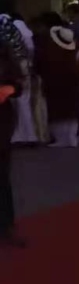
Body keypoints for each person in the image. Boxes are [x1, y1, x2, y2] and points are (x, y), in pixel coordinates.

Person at [33, 13, 79, 148]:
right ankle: (72, 137)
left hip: (54, 80)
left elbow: (41, 61)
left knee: (57, 109)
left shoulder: (48, 43)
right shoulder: (71, 43)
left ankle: (61, 138)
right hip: (72, 78)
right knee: (71, 108)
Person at [0, 0, 38, 145]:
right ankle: (26, 135)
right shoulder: (17, 24)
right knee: (23, 101)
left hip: (9, 66)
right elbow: (29, 45)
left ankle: (22, 135)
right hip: (22, 64)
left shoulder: (3, 22)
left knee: (16, 103)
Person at [0, 26, 25, 246]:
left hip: (2, 120)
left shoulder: (4, 51)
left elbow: (18, 84)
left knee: (2, 176)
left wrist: (10, 89)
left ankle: (6, 226)